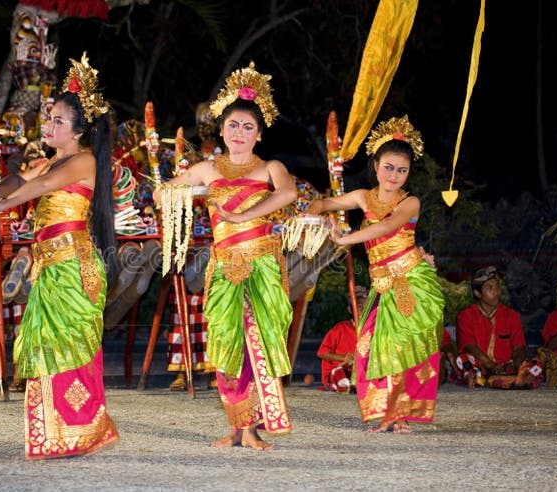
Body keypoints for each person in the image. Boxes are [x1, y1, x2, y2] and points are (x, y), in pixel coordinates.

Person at [0, 53, 119, 459]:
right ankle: (55, 435)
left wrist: (1, 205)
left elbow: (41, 186)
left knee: (68, 346)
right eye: (49, 117)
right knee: (46, 344)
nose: (49, 124)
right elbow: (21, 178)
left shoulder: (83, 161)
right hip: (51, 267)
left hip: (74, 266)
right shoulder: (51, 159)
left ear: (77, 131)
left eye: (57, 120)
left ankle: (78, 432)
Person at [153, 62, 297, 450]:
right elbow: (162, 192)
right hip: (225, 265)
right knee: (227, 342)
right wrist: (180, 193)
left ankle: (252, 428)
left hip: (263, 265)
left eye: (248, 127)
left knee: (259, 343)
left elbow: (288, 195)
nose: (239, 133)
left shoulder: (271, 168)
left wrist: (241, 214)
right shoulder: (206, 169)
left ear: (260, 134)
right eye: (232, 125)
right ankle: (237, 426)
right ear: (221, 130)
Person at [306, 115, 444, 434]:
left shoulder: (410, 202)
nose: (394, 175)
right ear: (376, 165)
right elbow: (327, 202)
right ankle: (386, 412)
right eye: (388, 167)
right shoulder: (362, 197)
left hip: (411, 282)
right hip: (382, 286)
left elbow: (386, 227)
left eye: (402, 169)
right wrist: (314, 207)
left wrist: (344, 238)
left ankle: (399, 415)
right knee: (368, 347)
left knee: (401, 348)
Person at [455, 266, 542, 389]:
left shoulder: (511, 315)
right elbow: (469, 346)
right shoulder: (465, 316)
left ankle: (492, 381)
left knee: (537, 363)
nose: (496, 292)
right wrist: (490, 365)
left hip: (505, 366)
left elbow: (519, 347)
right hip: (481, 365)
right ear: (477, 293)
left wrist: (519, 366)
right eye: (490, 288)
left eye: (497, 287)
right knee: (463, 360)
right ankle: (504, 381)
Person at [317, 285, 368, 392]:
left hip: (358, 371)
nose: (362, 310)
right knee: (341, 375)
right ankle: (346, 385)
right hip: (339, 369)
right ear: (350, 309)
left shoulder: (371, 329)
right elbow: (322, 353)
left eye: (366, 307)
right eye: (359, 306)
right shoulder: (340, 328)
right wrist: (344, 357)